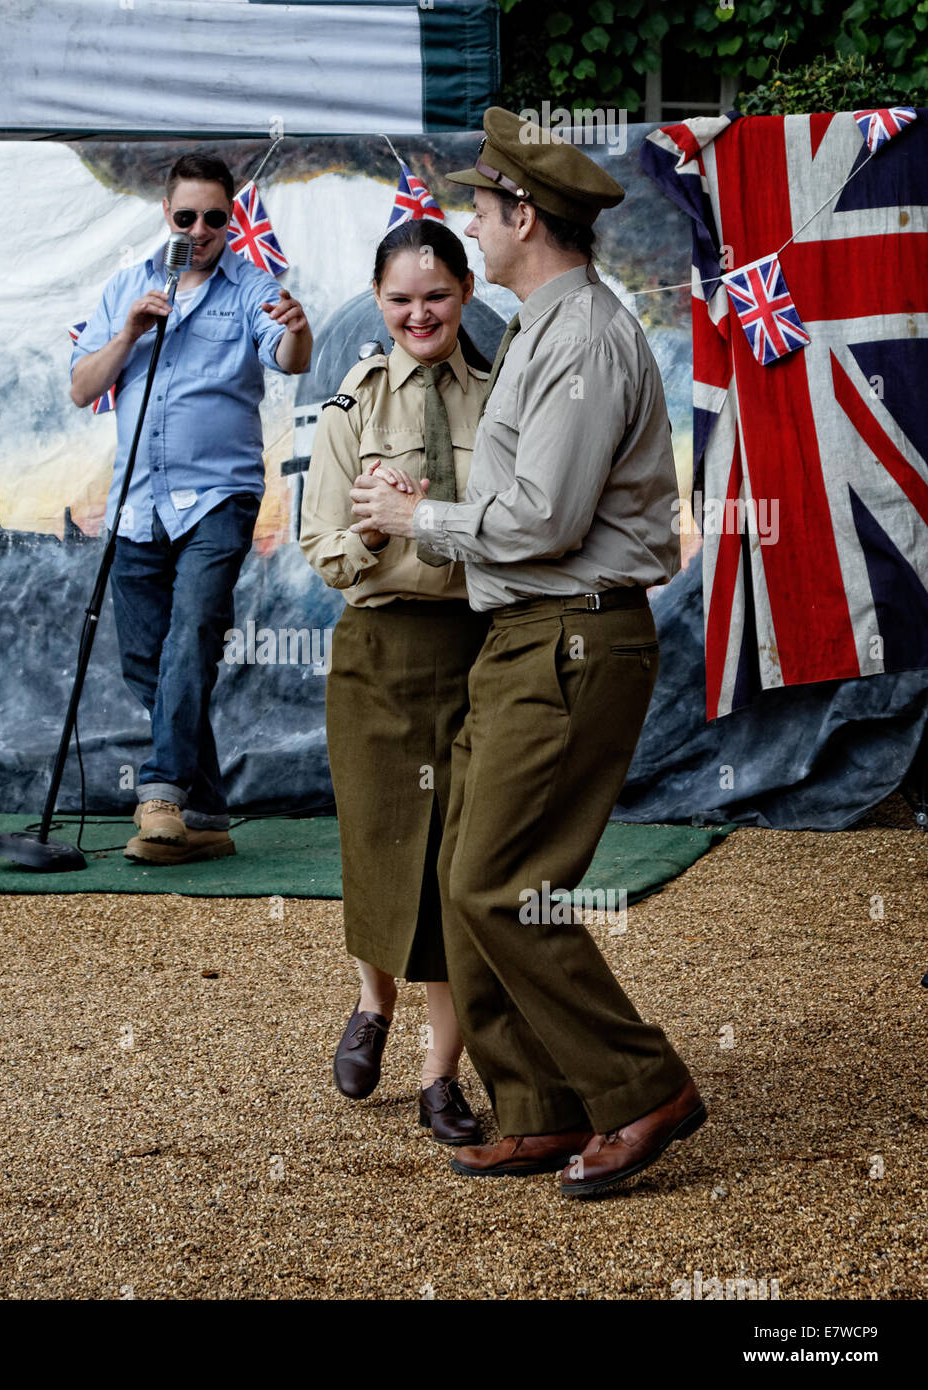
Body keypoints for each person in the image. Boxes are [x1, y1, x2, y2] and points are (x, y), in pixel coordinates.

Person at [348, 107, 705, 1197]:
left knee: (500, 883)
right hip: (536, 634)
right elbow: (529, 504)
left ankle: (638, 1086)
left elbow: (544, 519)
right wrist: (443, 507)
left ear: (524, 218)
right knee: (471, 880)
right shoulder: (549, 331)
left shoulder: (584, 338)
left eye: (481, 208)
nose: (470, 223)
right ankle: (541, 1106)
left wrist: (424, 523)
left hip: (570, 636)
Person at [300, 219, 493, 1144]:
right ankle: (372, 1002)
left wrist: (429, 516)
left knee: (456, 871)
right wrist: (374, 534)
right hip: (375, 658)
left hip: (472, 652)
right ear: (379, 304)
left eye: (438, 294)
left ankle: (439, 1079)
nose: (421, 313)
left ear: (465, 291)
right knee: (381, 853)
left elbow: (514, 537)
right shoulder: (350, 407)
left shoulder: (500, 401)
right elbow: (321, 550)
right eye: (401, 299)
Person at [71, 152, 312, 865]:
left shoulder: (252, 287)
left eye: (215, 217)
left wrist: (297, 328)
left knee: (192, 632)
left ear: (230, 219)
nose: (201, 229)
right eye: (187, 217)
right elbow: (83, 387)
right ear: (165, 216)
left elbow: (289, 355)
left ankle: (163, 791)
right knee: (147, 662)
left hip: (220, 495)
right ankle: (206, 813)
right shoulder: (127, 286)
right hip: (137, 504)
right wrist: (127, 335)